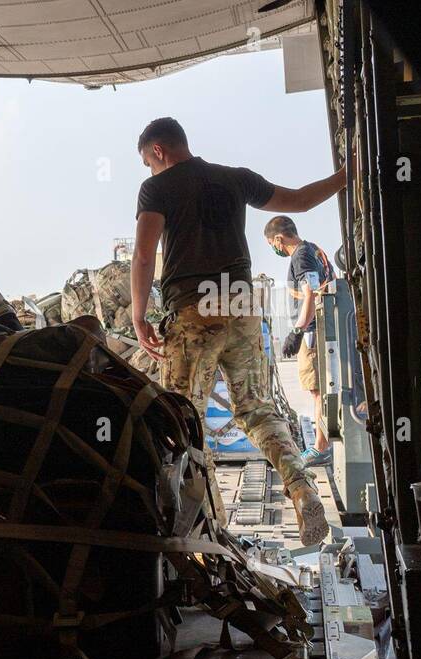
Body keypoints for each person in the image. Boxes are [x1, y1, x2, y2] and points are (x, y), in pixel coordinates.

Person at [128, 117, 345, 545]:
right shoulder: (236, 178)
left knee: (183, 423)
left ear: (158, 151)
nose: (149, 171)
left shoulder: (157, 187)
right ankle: (302, 490)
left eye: (147, 163)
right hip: (242, 306)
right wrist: (347, 174)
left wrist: (138, 316)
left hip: (193, 311)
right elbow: (300, 201)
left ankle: (213, 527)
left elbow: (141, 254)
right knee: (258, 410)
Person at [266, 215, 336, 467]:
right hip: (323, 327)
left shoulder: (301, 255)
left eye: (270, 244)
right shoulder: (314, 249)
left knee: (317, 391)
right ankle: (324, 443)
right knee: (323, 390)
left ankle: (320, 447)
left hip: (313, 332)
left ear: (277, 238)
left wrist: (297, 331)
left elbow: (309, 293)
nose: (273, 249)